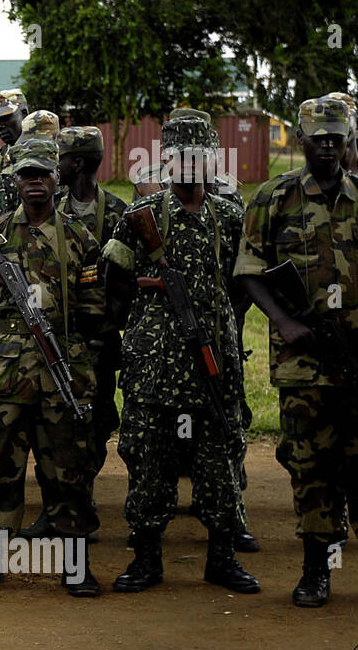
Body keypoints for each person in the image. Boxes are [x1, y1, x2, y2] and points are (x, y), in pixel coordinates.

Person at [235, 95, 358, 606]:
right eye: (318, 138)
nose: (327, 146)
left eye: (336, 139)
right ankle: (315, 571)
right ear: (301, 141)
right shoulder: (273, 199)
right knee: (312, 466)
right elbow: (250, 269)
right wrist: (283, 321)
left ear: (348, 142)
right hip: (305, 366)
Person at [103, 118, 257, 595]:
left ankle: (222, 557)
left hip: (214, 363)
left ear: (213, 162)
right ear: (166, 162)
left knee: (219, 459)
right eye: (181, 158)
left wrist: (220, 325)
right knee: (149, 459)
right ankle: (147, 558)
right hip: (155, 366)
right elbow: (115, 281)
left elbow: (245, 282)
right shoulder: (141, 214)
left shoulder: (231, 217)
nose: (190, 167)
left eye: (200, 157)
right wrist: (151, 304)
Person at [0, 138, 103, 596]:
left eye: (43, 173)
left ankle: (75, 565)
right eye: (26, 174)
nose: (35, 182)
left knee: (67, 473)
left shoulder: (81, 238)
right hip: (4, 376)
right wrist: (10, 337)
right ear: (15, 181)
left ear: (57, 179)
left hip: (62, 370)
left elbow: (93, 310)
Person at [21, 125, 126, 539]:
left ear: (75, 163)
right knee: (51, 432)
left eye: (59, 157)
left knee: (95, 424)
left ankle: (80, 501)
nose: (53, 166)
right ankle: (55, 508)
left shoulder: (116, 213)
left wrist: (103, 334)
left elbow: (122, 284)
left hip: (98, 341)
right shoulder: (50, 208)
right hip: (51, 343)